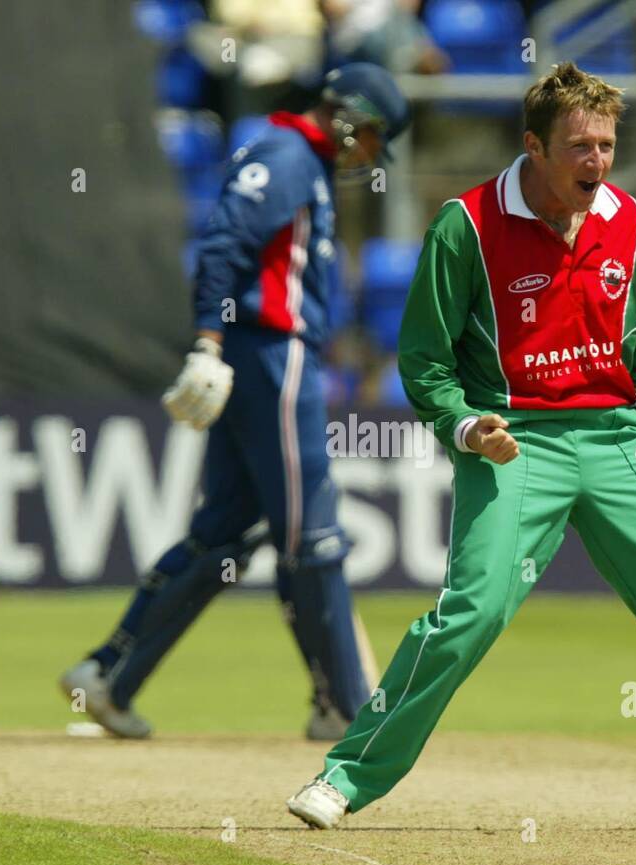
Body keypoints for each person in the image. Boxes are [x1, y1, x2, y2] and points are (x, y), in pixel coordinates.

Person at [287, 62, 636, 831]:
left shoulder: (628, 220)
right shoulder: (467, 224)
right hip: (514, 443)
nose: (596, 163)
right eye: (579, 146)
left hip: (617, 440)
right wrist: (468, 426)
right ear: (533, 147)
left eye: (606, 145)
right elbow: (424, 361)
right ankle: (345, 776)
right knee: (471, 613)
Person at [58, 63, 410, 741]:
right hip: (274, 356)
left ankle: (108, 673)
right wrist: (207, 341)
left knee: (225, 532)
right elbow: (223, 240)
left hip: (262, 355)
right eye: (371, 137)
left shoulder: (292, 158)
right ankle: (346, 705)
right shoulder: (287, 157)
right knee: (313, 533)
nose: (369, 155)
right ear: (348, 119)